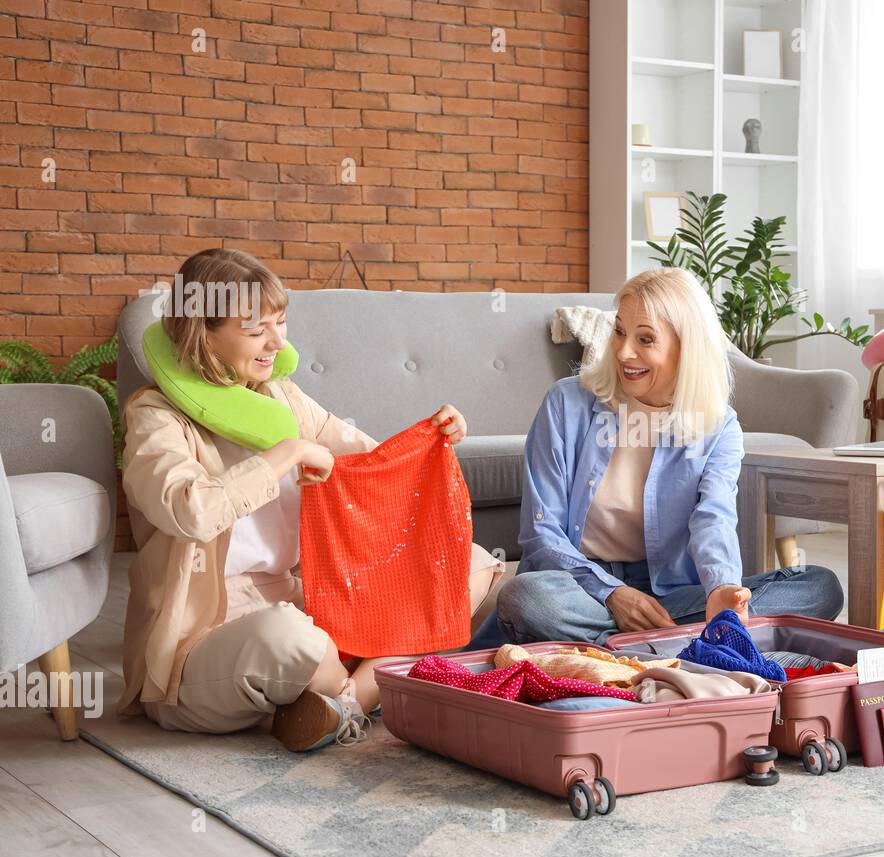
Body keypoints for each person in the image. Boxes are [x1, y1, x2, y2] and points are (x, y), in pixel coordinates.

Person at [119, 249, 503, 751]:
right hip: (210, 631)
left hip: (305, 596)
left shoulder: (280, 396)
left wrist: (435, 434)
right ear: (203, 332)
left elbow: (373, 461)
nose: (278, 342)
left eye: (281, 323)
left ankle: (344, 704)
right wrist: (286, 454)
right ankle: (369, 682)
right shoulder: (154, 417)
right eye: (257, 330)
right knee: (291, 638)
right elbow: (191, 510)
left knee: (465, 564)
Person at [476, 267, 843, 648]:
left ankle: (629, 647)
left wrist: (722, 589)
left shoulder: (719, 427)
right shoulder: (565, 404)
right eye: (619, 331)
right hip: (578, 587)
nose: (623, 351)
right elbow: (541, 535)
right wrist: (612, 594)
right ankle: (678, 645)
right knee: (527, 598)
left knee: (820, 586)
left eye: (645, 339)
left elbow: (713, 516)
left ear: (687, 347)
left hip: (668, 594)